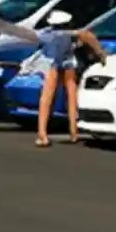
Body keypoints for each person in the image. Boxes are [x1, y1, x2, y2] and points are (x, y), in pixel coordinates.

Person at [32, 11, 108, 147]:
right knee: (72, 95)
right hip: (68, 62)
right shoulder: (72, 33)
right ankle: (74, 131)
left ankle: (42, 134)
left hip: (52, 63)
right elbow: (88, 36)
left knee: (47, 97)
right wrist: (100, 53)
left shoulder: (48, 34)